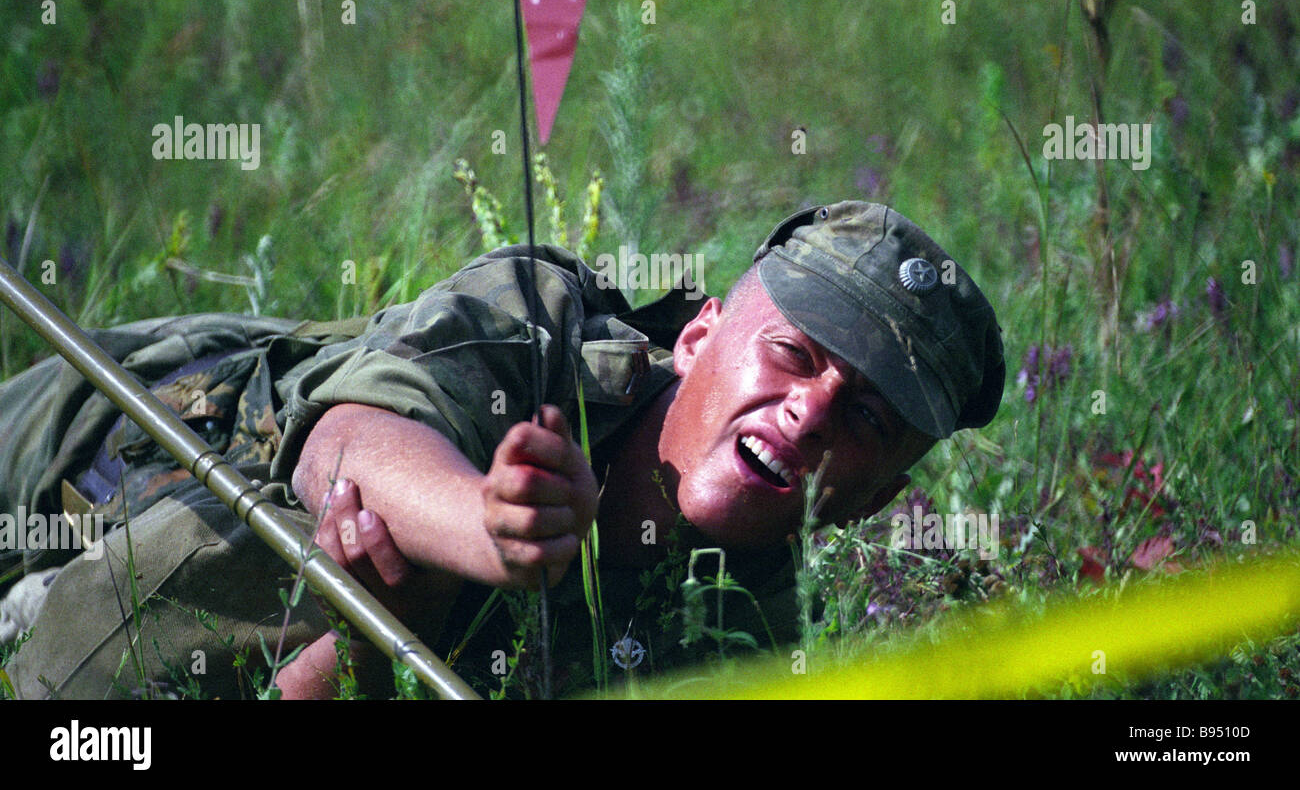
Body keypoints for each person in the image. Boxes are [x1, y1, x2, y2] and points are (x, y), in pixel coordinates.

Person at [0, 200, 1004, 699]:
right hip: (93, 427)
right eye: (794, 353)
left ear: (873, 501)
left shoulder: (753, 639)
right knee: (344, 525)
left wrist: (388, 634)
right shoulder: (549, 318)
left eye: (868, 417)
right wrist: (486, 533)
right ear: (697, 336)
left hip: (102, 628)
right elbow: (343, 444)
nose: (814, 409)